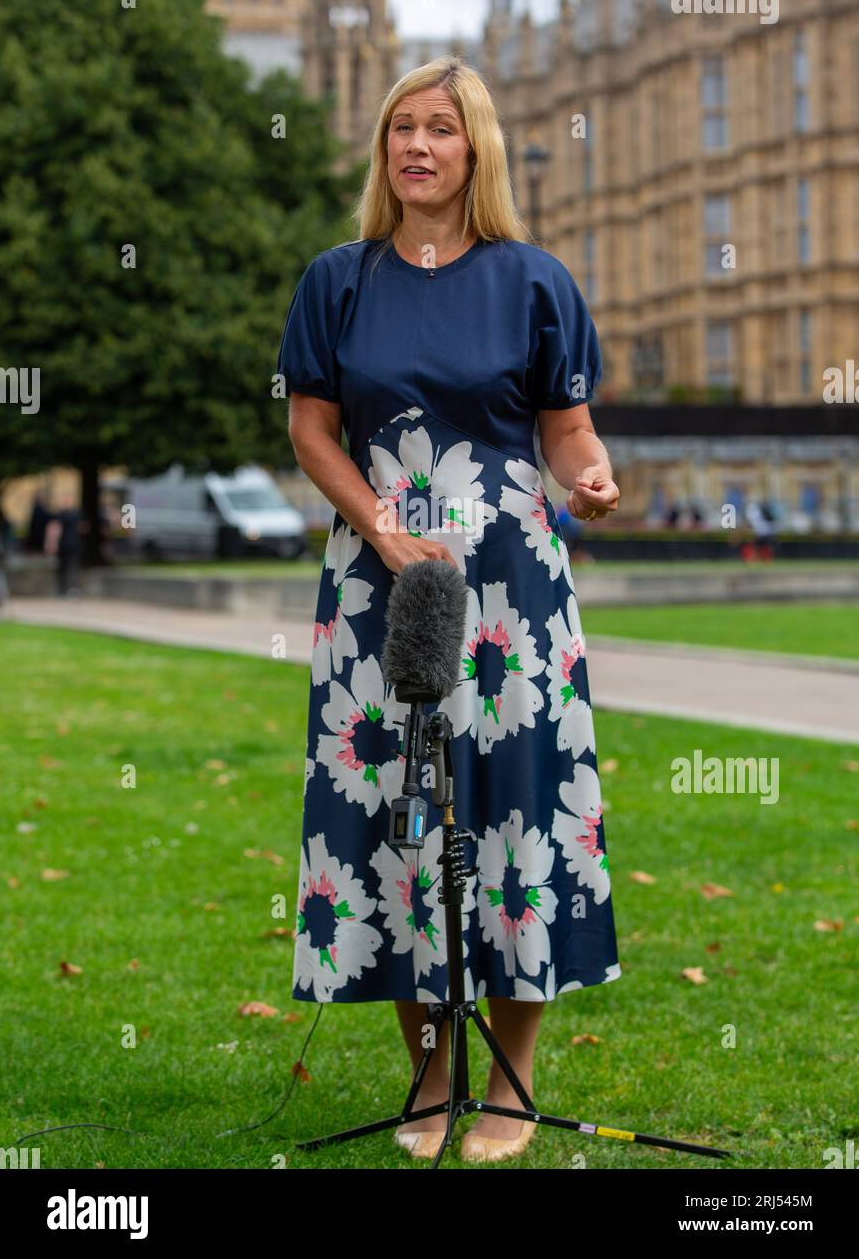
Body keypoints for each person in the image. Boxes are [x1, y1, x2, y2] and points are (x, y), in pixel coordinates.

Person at [277, 56, 622, 1164]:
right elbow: (310, 430)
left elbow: (564, 428)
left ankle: (512, 1081)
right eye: (399, 130)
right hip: (380, 582)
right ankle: (427, 1075)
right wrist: (379, 523)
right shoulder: (339, 279)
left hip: (511, 590)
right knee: (399, 815)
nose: (416, 147)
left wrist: (591, 476)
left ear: (475, 149)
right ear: (382, 151)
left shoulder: (534, 280)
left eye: (439, 129)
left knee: (515, 813)